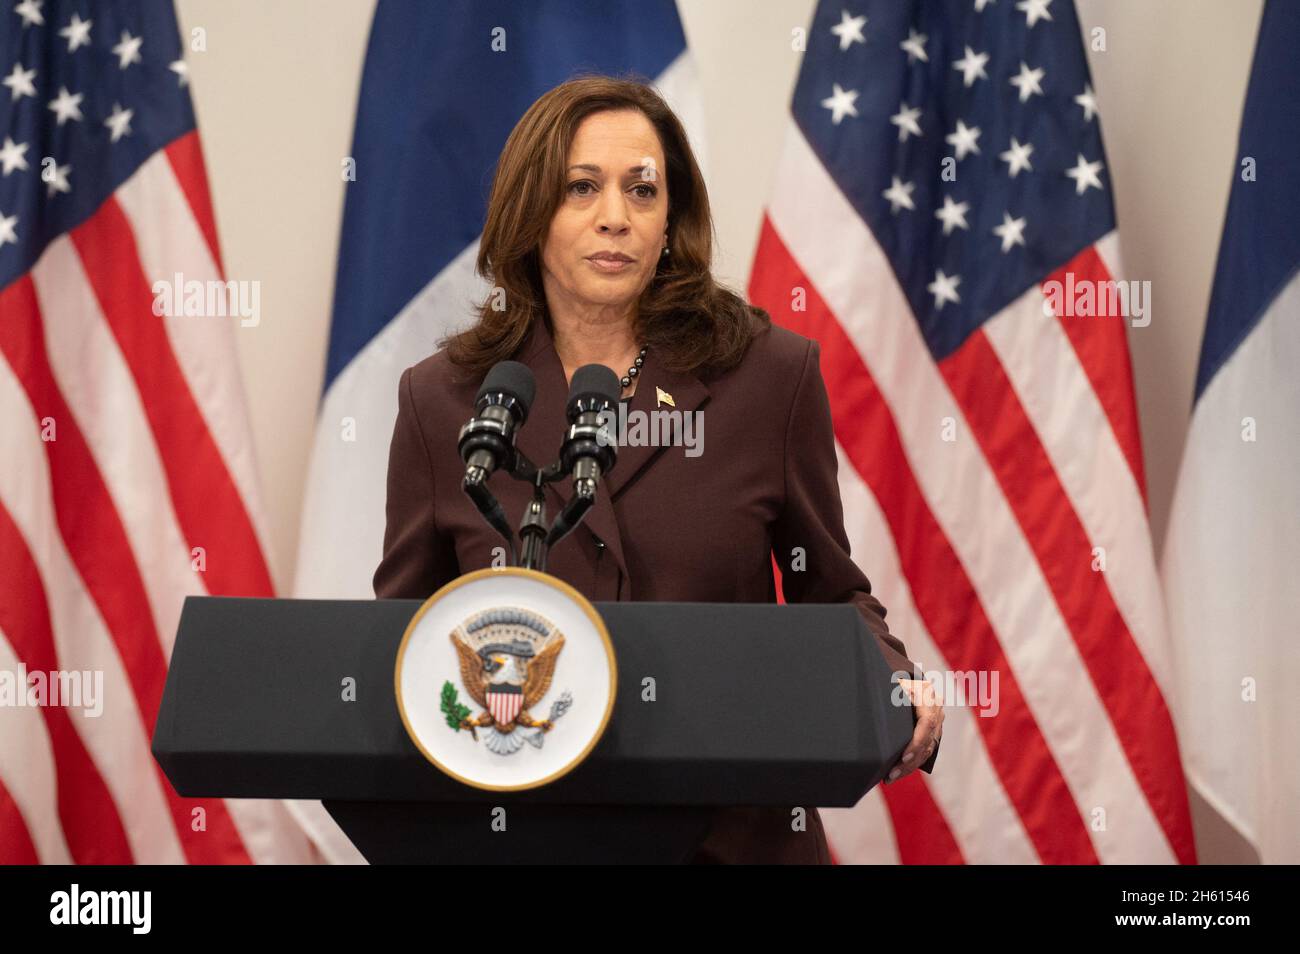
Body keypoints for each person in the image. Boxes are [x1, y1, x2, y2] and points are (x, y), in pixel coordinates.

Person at [374, 73, 943, 864]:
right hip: (525, 838)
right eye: (582, 188)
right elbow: (405, 635)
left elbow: (830, 588)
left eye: (643, 190)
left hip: (735, 837)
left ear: (670, 219)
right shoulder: (444, 401)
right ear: (530, 214)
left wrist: (893, 674)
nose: (616, 216)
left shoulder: (769, 377)